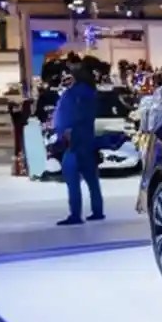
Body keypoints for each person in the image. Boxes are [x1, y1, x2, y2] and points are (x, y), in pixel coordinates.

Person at [52, 65, 104, 225]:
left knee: (72, 180)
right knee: (92, 180)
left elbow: (65, 116)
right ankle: (97, 211)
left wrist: (63, 132)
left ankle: (75, 214)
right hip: (88, 140)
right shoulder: (92, 93)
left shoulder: (71, 94)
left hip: (72, 142)